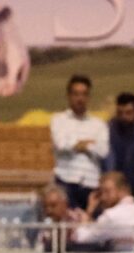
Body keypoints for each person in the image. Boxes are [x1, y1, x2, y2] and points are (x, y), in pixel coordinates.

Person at [51, 75, 109, 211]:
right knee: (67, 226)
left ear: (89, 97)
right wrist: (88, 144)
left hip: (91, 183)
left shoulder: (99, 124)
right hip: (65, 181)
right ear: (69, 96)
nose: (80, 99)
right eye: (76, 94)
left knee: (90, 226)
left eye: (84, 94)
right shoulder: (59, 120)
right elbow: (61, 144)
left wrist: (79, 145)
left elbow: (103, 151)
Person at [72, 171, 134, 250]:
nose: (102, 197)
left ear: (123, 191)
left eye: (107, 191)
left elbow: (80, 238)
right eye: (101, 193)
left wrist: (87, 215)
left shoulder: (111, 216)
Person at [36, 183, 81, 251]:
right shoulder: (45, 224)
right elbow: (39, 248)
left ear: (65, 204)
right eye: (45, 206)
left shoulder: (79, 220)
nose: (49, 210)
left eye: (53, 205)